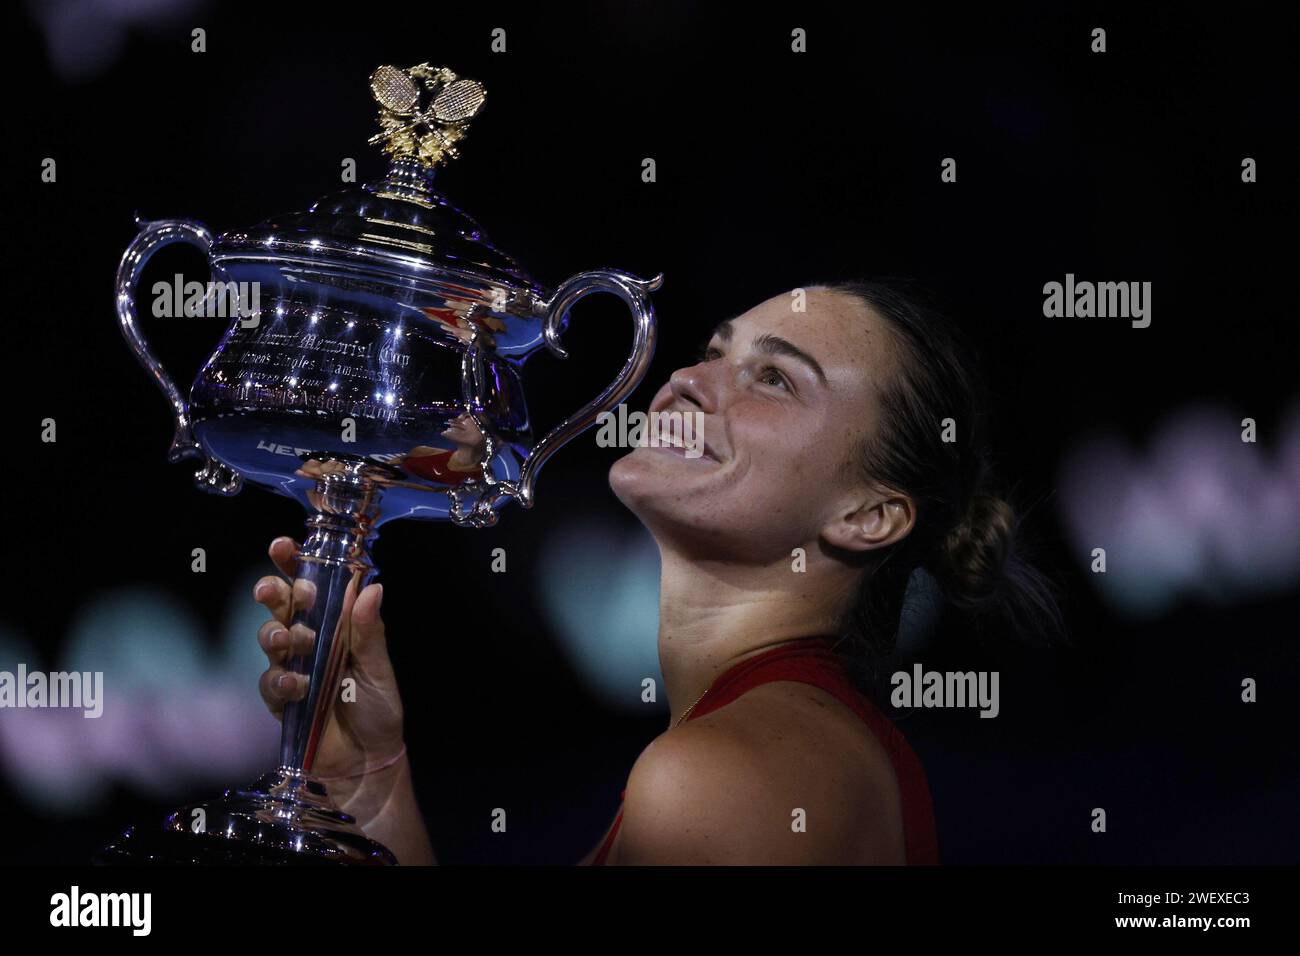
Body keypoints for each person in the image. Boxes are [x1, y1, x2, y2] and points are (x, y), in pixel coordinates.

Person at [252, 278, 1066, 865]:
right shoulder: (791, 745)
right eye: (715, 353)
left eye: (774, 379)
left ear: (867, 516)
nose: (685, 381)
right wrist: (371, 791)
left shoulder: (721, 776)